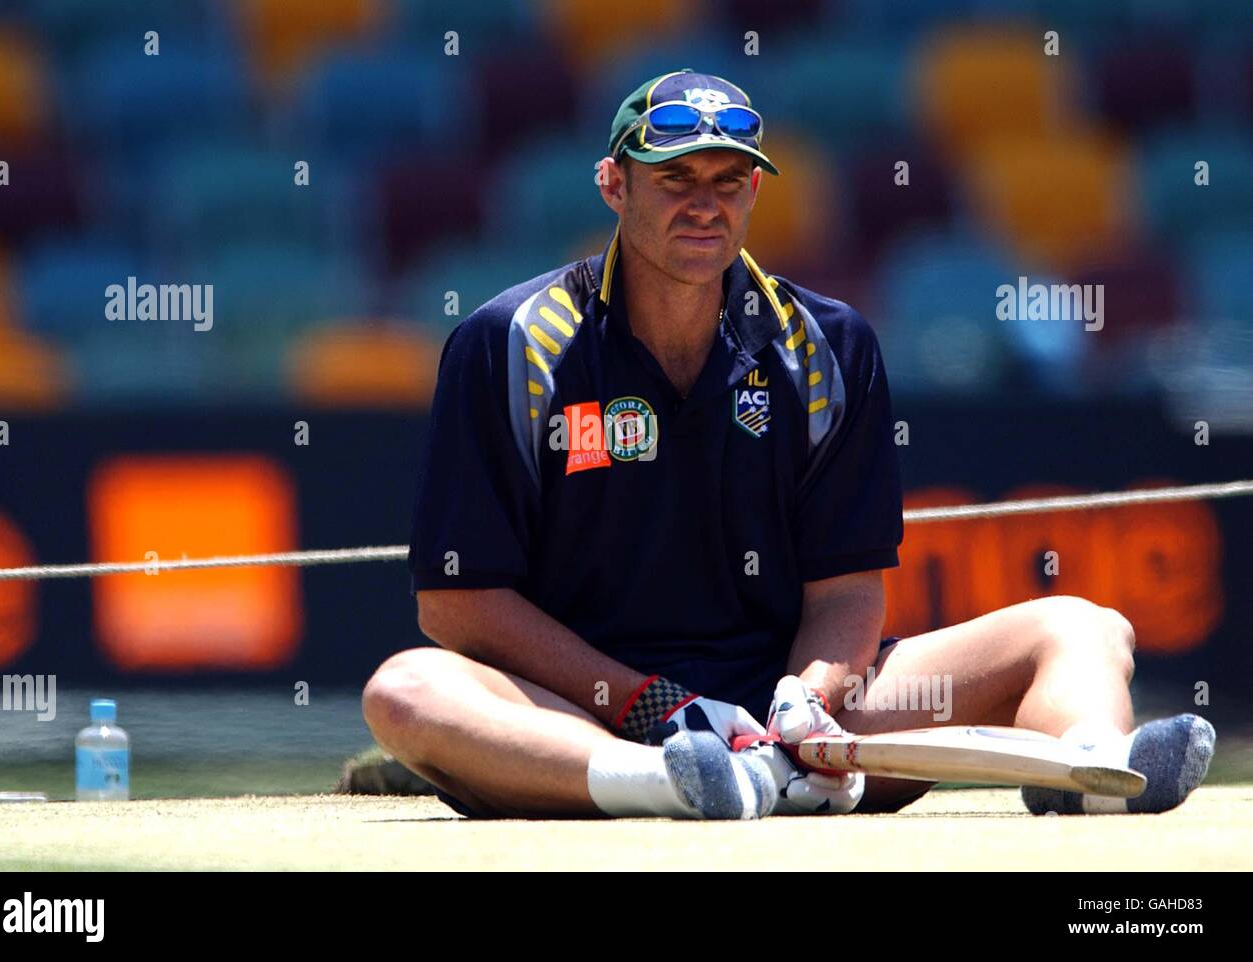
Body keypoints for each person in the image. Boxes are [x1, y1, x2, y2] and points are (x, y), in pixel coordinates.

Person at [362, 68, 1214, 819]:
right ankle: (670, 786)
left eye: (730, 180)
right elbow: (456, 604)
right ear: (613, 185)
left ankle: (1096, 765)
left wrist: (808, 702)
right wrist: (653, 708)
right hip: (582, 717)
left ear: (756, 193)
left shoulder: (830, 345)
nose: (707, 202)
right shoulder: (509, 341)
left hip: (798, 722)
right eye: (676, 178)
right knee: (405, 688)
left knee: (1081, 625)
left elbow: (846, 595)